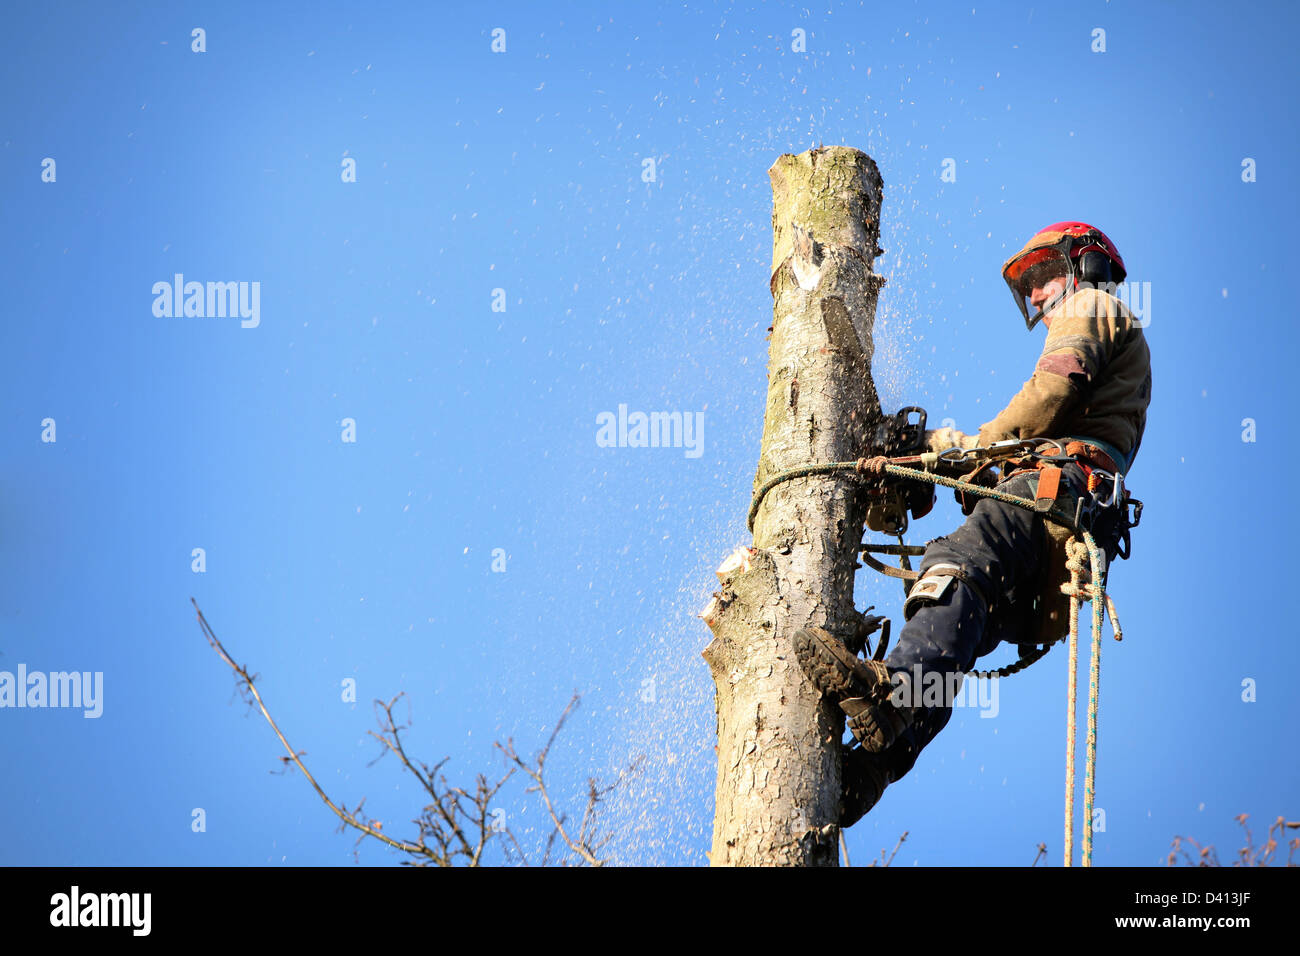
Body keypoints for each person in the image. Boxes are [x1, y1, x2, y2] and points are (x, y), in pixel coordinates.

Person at [795, 221, 1152, 826]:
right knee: (966, 612)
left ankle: (893, 695)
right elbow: (1017, 446)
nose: (1036, 294)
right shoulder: (1116, 364)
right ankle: (881, 758)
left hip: (1056, 493)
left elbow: (1050, 392)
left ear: (1085, 266)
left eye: (1044, 276)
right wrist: (935, 452)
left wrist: (977, 448)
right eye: (1027, 286)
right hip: (1062, 540)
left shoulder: (1095, 307)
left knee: (953, 564)